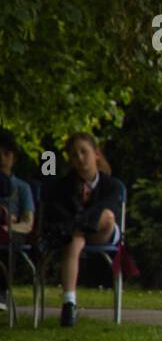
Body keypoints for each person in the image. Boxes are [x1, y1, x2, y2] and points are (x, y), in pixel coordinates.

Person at [42, 132, 124, 327]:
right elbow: (57, 212)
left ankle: (79, 229)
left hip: (102, 232)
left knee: (106, 216)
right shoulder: (63, 186)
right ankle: (69, 303)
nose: (79, 159)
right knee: (75, 239)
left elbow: (107, 208)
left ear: (96, 154)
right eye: (74, 155)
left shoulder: (111, 185)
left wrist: (80, 220)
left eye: (83, 152)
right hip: (75, 234)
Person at [0, 129, 35, 314]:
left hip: (12, 233)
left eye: (7, 153)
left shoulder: (22, 188)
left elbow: (28, 223)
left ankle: (2, 291)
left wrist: (8, 225)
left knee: (8, 242)